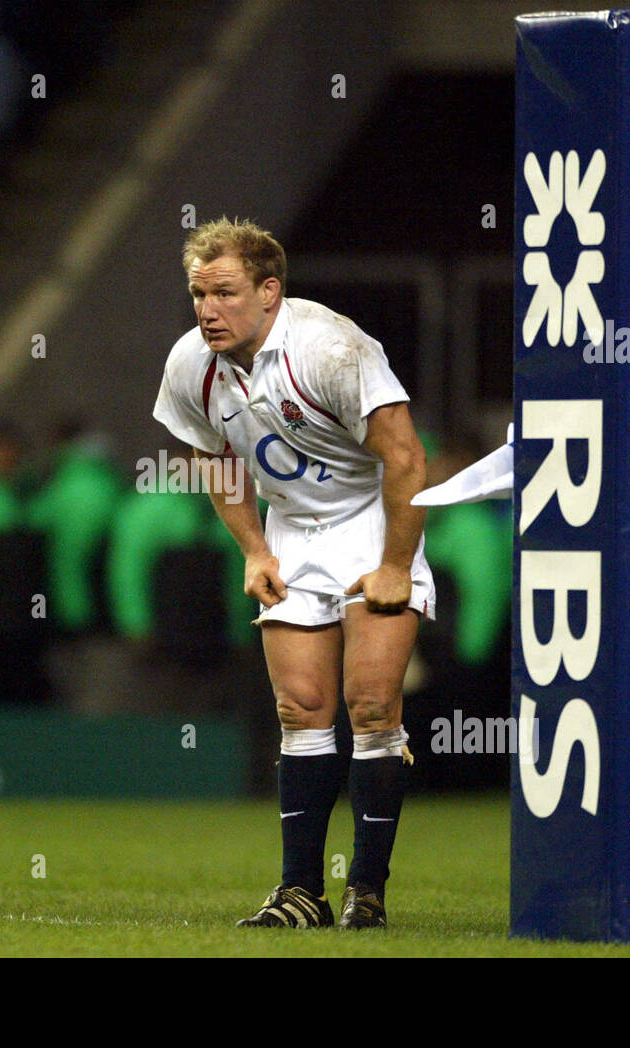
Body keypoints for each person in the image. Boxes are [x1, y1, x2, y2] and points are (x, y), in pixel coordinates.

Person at [152, 218, 435, 928]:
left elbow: (405, 458)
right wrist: (254, 549)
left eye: (224, 292)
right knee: (301, 708)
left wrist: (395, 564)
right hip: (291, 529)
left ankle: (366, 892)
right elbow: (214, 459)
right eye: (198, 294)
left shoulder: (331, 347)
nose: (208, 309)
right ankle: (300, 893)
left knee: (372, 707)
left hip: (372, 521)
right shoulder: (190, 364)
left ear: (270, 291)